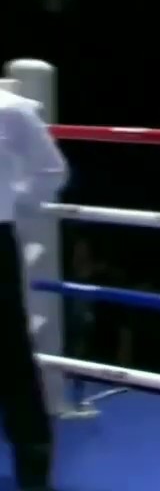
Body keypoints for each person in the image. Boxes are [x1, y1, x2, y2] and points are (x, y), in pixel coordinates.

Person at [0, 79, 69, 491]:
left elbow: (51, 170)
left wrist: (11, 200)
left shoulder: (10, 108)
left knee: (10, 353)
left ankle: (34, 470)